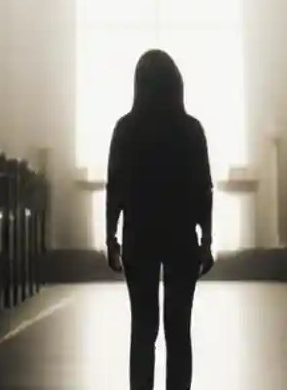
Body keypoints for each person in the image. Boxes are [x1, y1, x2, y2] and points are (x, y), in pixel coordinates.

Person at [105, 49, 215, 390]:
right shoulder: (191, 129)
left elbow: (115, 188)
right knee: (179, 330)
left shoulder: (125, 128)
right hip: (181, 237)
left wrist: (111, 239)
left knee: (143, 330)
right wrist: (207, 241)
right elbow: (203, 189)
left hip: (140, 235)